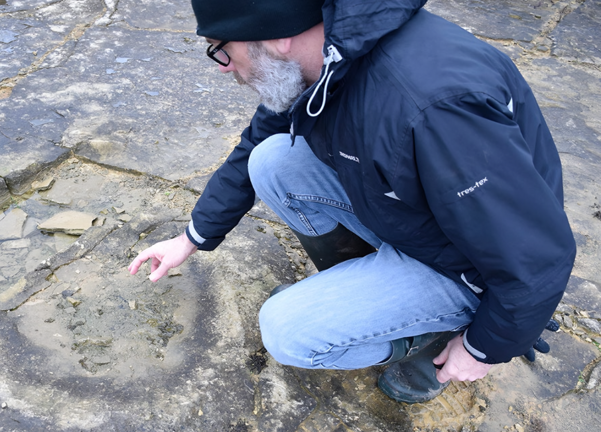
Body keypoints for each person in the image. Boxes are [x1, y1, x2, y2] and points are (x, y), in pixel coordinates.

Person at [128, 0, 576, 403]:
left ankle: (438, 334)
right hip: (419, 217)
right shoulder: (324, 55)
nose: (223, 66)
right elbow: (254, 143)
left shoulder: (432, 105)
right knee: (270, 161)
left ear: (277, 37)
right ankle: (371, 295)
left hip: (473, 261)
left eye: (221, 49)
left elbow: (536, 257)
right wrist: (191, 237)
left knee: (288, 332)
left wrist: (487, 347)